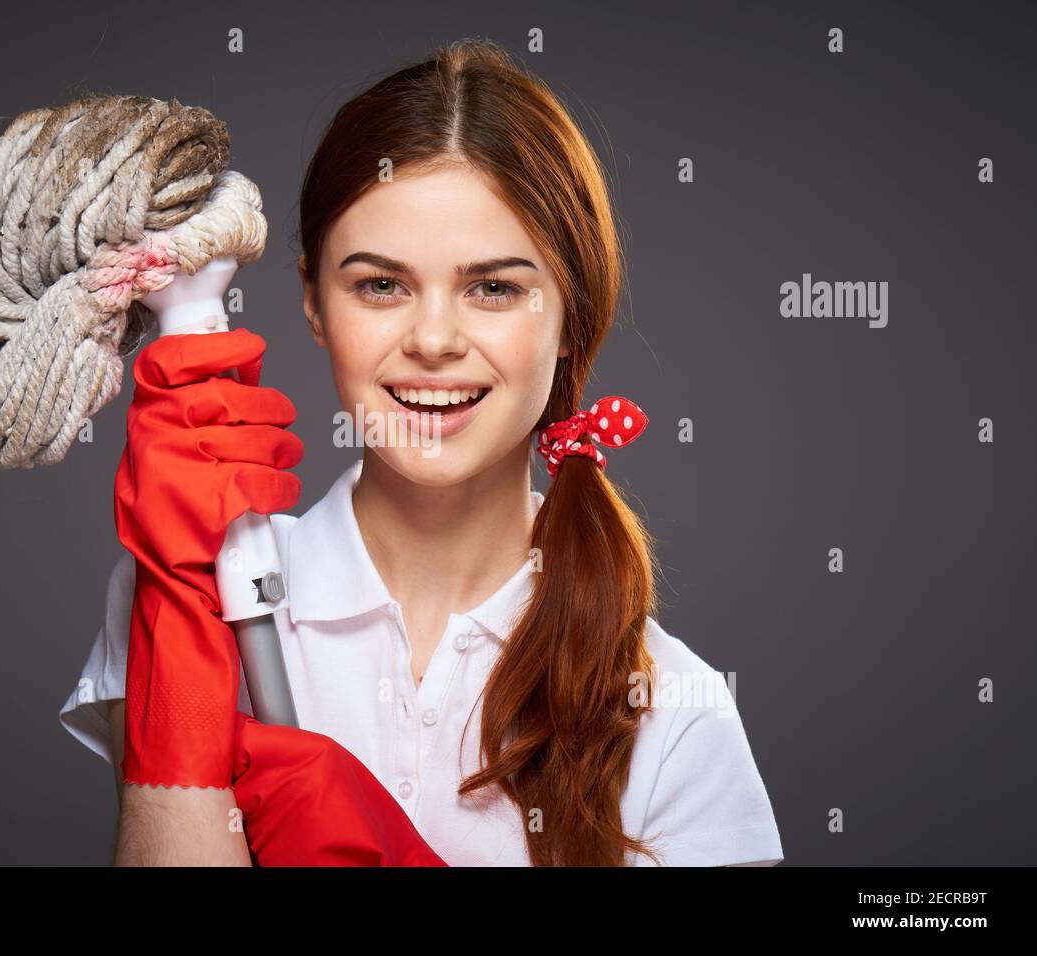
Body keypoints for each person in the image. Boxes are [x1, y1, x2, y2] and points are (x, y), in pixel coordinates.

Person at [60, 37, 783, 867]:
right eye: (381, 284)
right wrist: (179, 614)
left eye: (494, 288)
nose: (434, 340)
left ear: (571, 316)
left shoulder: (675, 709)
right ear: (314, 305)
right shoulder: (186, 588)